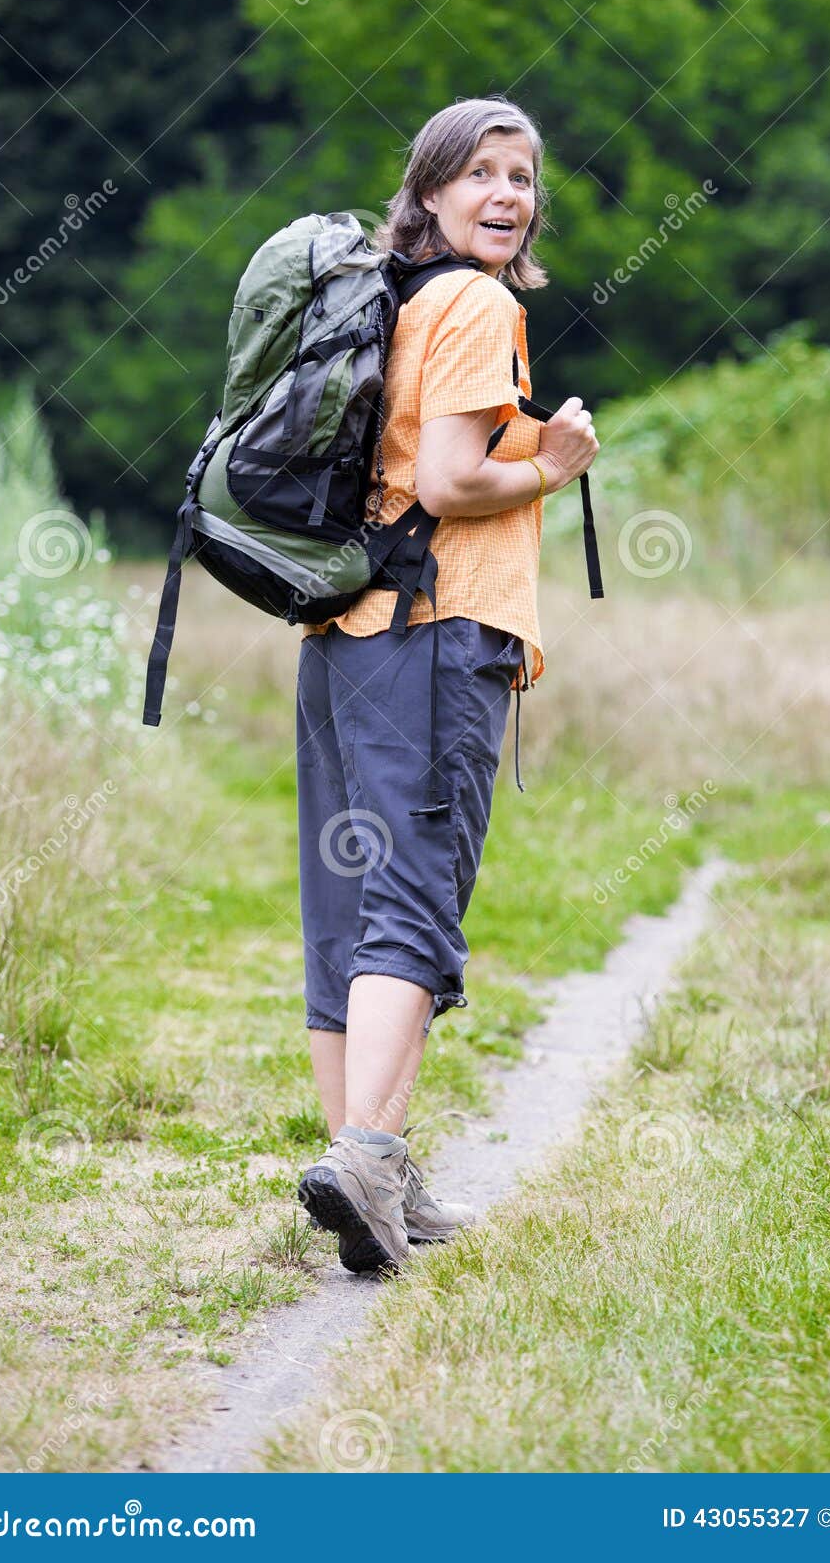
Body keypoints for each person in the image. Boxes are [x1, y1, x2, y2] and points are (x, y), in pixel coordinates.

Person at [296, 96, 599, 1273]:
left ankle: (363, 1167)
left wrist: (519, 448)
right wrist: (555, 464)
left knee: (345, 912)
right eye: (478, 174)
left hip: (344, 635)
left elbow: (412, 462)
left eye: (522, 177)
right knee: (412, 902)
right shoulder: (476, 301)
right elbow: (448, 478)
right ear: (426, 194)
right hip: (434, 632)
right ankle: (367, 1154)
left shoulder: (400, 301)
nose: (506, 196)